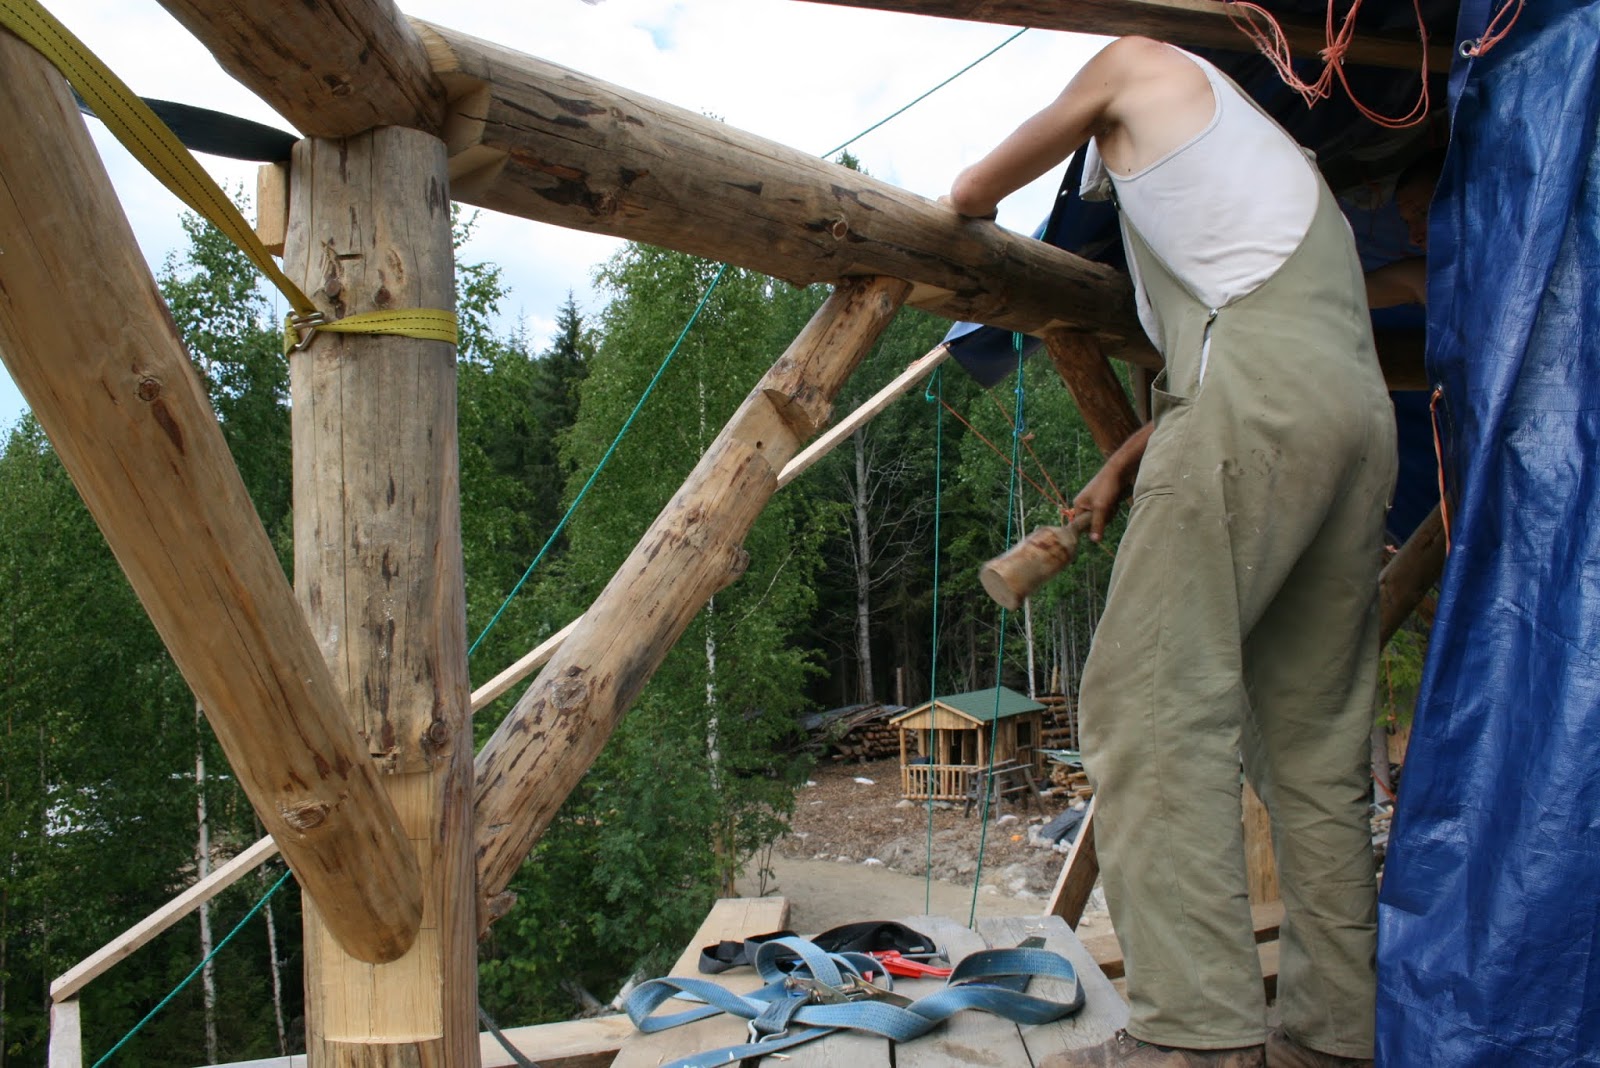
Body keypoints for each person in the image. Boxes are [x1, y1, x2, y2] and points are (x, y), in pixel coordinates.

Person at [947, 38, 1396, 1068]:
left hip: (1251, 410)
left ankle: (1196, 1036)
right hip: (1351, 421)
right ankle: (1336, 1037)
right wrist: (1122, 465)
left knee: (1146, 707)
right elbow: (1266, 338)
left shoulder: (1134, 60)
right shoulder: (1282, 166)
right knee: (1315, 745)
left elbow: (970, 192)